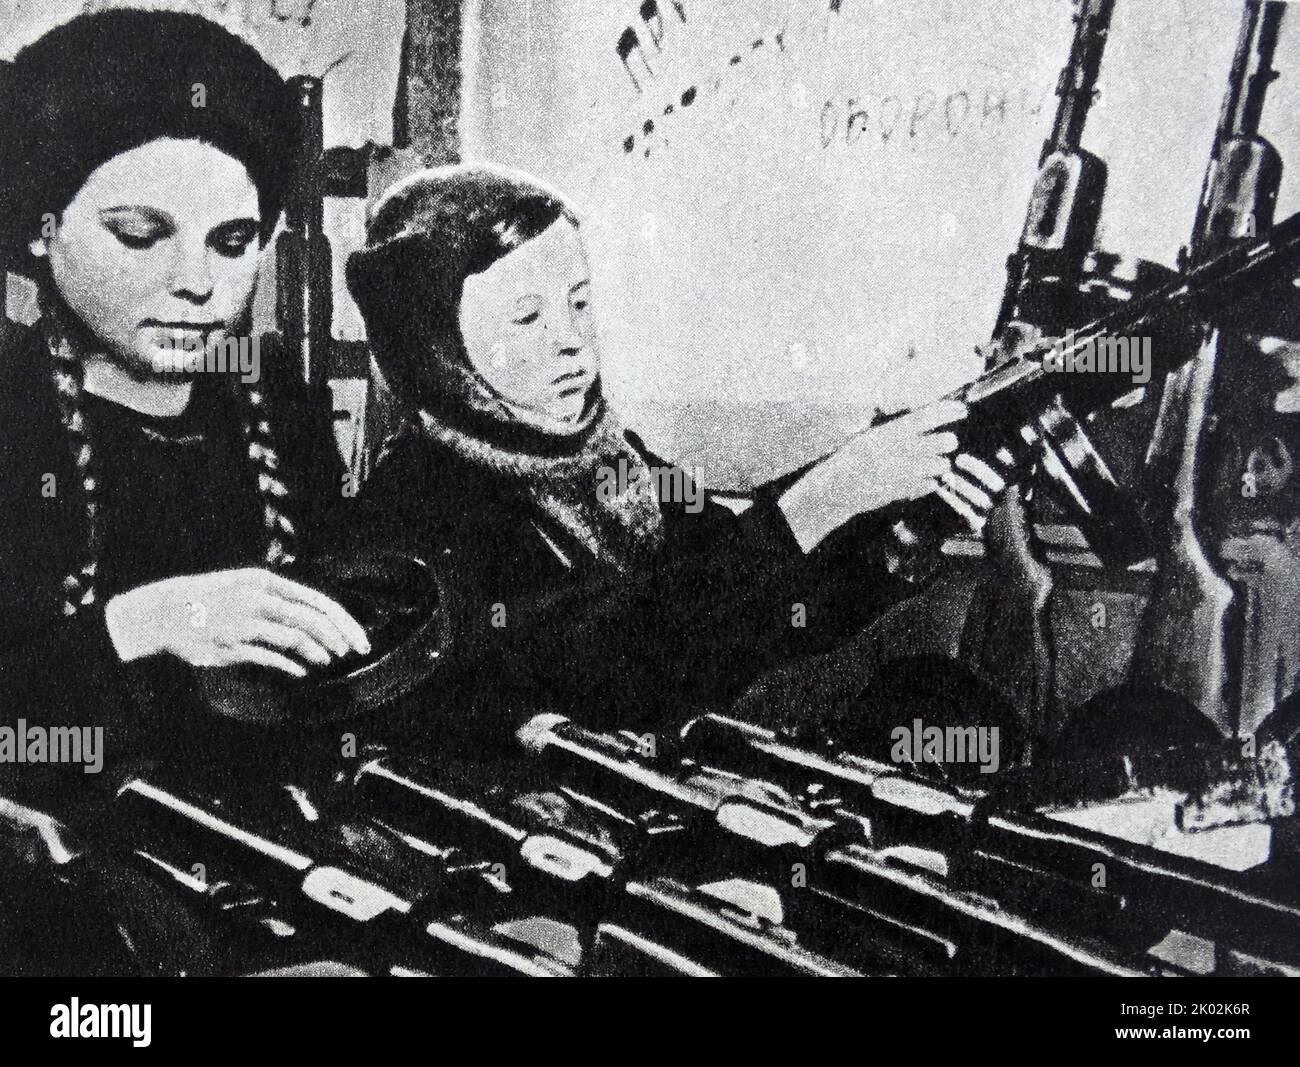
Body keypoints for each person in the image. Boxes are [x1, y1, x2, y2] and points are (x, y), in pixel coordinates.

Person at [343, 164, 1006, 746]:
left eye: (579, 303)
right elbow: (621, 661)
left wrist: (897, 530)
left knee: (946, 703)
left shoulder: (615, 461)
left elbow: (753, 606)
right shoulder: (414, 506)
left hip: (689, 777)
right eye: (527, 319)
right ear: (436, 347)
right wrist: (823, 499)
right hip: (569, 838)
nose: (572, 341)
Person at [0, 9, 371, 813]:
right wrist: (138, 625)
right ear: (41, 229)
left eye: (232, 242)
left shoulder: (273, 398)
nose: (196, 282)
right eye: (141, 234)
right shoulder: (11, 412)